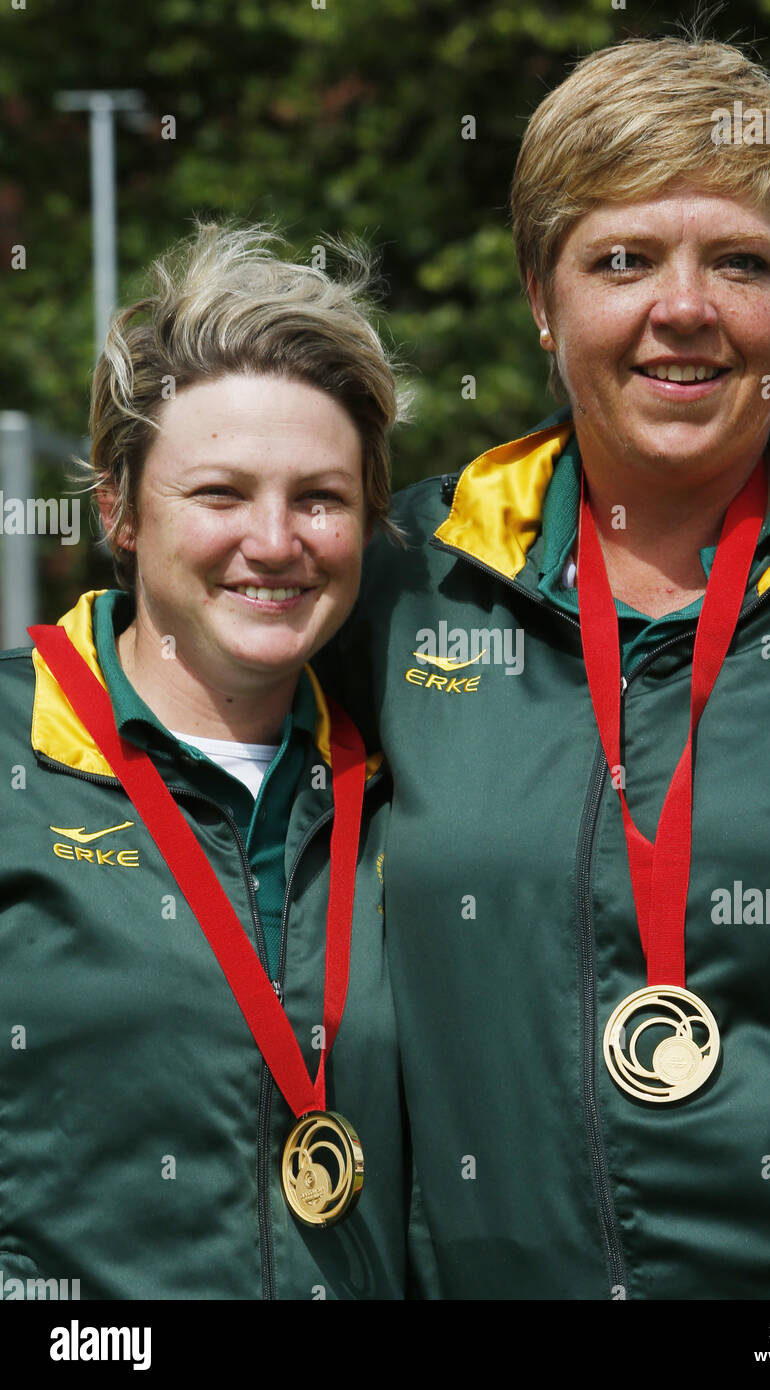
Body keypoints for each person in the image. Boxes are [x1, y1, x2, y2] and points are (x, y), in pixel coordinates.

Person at [319, 37, 770, 1298]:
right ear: (543, 300)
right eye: (622, 259)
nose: (685, 307)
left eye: (741, 261)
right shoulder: (401, 584)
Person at [0, 223, 411, 1299]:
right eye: (220, 494)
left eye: (319, 497)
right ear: (120, 511)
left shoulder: (409, 774)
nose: (274, 540)